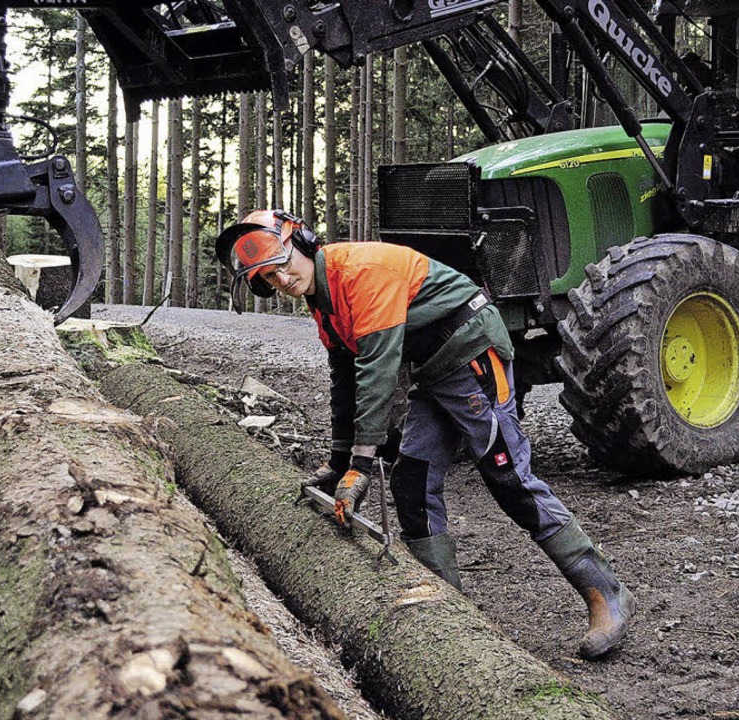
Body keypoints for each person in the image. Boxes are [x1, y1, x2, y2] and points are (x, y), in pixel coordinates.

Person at [216, 209, 636, 658]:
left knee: (509, 478)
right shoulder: (323, 302)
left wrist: (361, 464)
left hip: (472, 351)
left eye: (282, 265)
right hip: (434, 369)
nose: (282, 280)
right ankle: (453, 618)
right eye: (269, 278)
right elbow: (344, 377)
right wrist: (337, 463)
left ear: (302, 243)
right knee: (412, 484)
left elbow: (377, 371)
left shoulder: (359, 272)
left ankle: (606, 592)